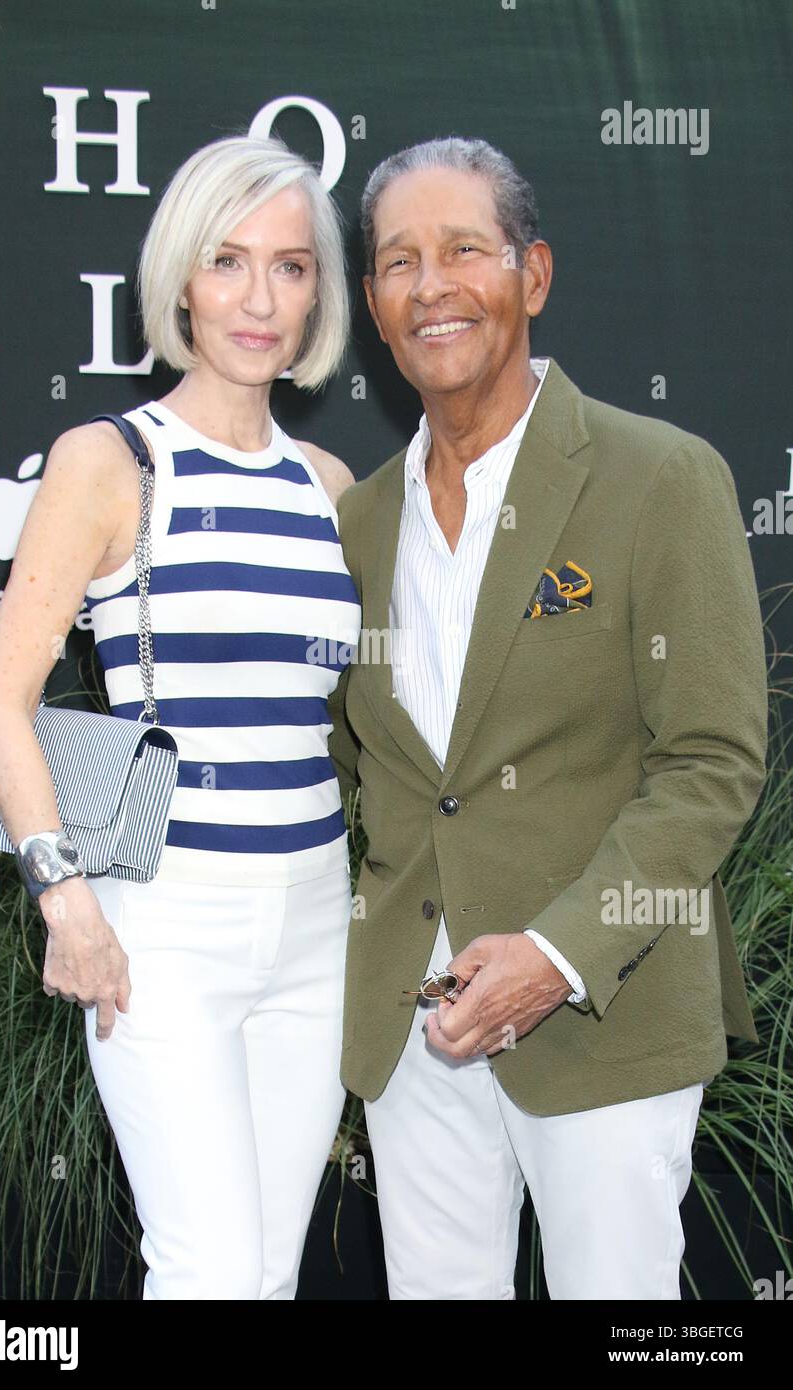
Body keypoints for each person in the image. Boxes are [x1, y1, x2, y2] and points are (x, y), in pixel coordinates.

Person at [327, 136, 767, 1300]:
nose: (430, 286)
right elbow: (353, 769)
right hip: (415, 1026)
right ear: (372, 304)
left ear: (532, 273)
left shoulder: (656, 475)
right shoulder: (357, 525)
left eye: (462, 249)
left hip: (602, 1010)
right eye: (396, 262)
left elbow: (712, 761)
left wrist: (556, 955)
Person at [0, 134, 361, 1299]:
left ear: (317, 292)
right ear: (180, 280)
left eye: (290, 267)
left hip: (314, 930)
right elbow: (1, 700)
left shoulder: (329, 487)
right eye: (226, 261)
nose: (257, 298)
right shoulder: (112, 460)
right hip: (161, 927)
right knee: (205, 1270)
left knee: (268, 1275)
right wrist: (66, 899)